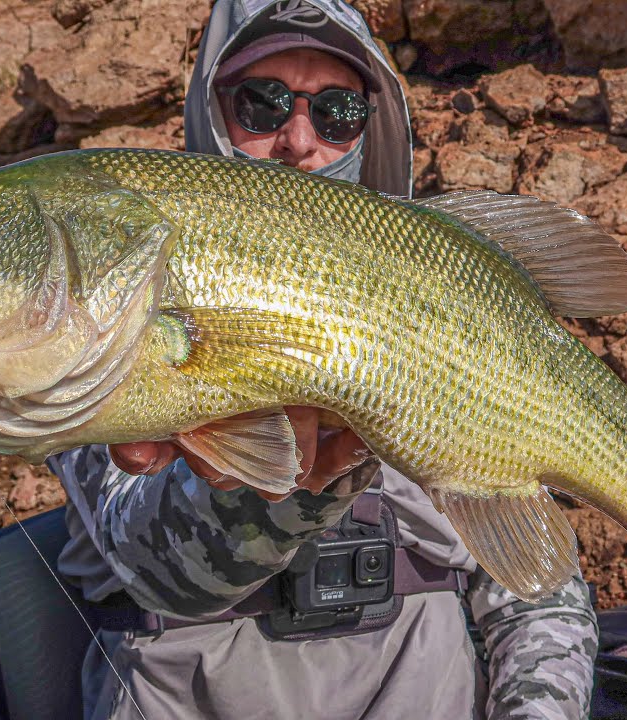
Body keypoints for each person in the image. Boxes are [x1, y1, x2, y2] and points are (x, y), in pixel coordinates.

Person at [47, 2, 599, 718]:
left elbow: (536, 591)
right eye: (262, 103)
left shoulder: (434, 312)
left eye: (339, 112)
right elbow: (164, 569)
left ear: (373, 131)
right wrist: (300, 483)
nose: (299, 139)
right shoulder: (118, 289)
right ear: (210, 111)